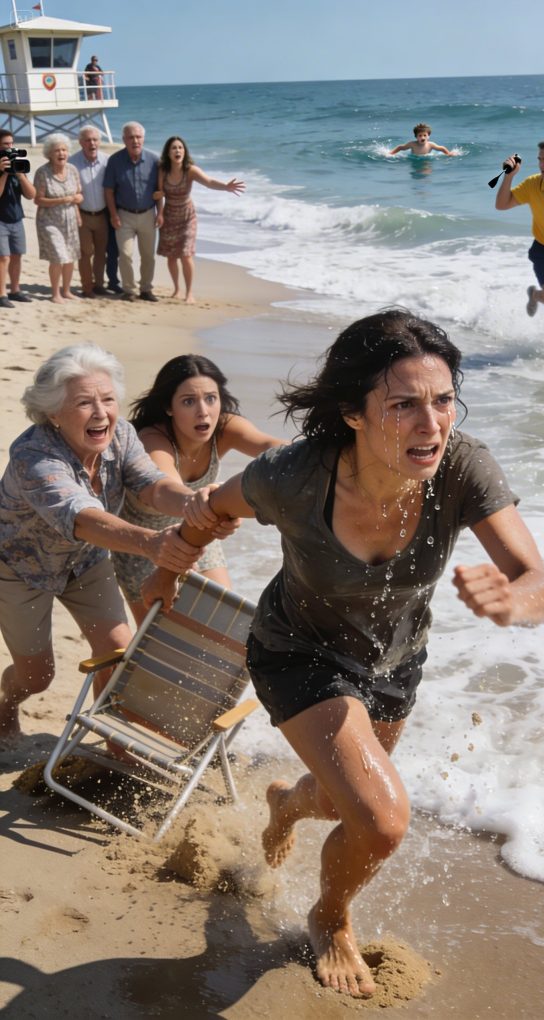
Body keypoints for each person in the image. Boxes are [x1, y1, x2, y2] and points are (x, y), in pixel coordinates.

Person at [143, 309, 544, 998]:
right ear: (353, 414)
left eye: (443, 400)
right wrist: (167, 570)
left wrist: (516, 599)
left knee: (344, 808)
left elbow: (538, 581)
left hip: (394, 661)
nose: (432, 424)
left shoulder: (462, 467)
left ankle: (287, 804)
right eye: (404, 405)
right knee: (383, 821)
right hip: (296, 650)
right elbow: (210, 510)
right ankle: (331, 916)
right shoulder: (295, 475)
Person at [0, 344, 208, 741]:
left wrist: (193, 502)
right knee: (37, 677)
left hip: (86, 563)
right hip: (20, 568)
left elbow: (152, 486)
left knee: (117, 654)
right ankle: (6, 702)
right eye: (84, 403)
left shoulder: (121, 434)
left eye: (108, 400)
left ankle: (110, 744)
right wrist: (152, 543)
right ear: (53, 413)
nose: (101, 413)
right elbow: (82, 517)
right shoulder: (33, 457)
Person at [113, 354, 282, 625]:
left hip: (199, 535)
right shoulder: (152, 439)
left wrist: (323, 455)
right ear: (168, 407)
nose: (203, 411)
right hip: (149, 548)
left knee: (226, 626)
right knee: (164, 640)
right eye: (188, 401)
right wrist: (211, 506)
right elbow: (165, 487)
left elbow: (273, 449)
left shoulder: (226, 427)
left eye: (211, 398)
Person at [495, 139, 544, 347]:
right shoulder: (533, 184)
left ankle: (536, 295)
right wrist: (509, 176)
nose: (541, 165)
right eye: (540, 159)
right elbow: (501, 205)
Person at [155, 136, 245, 304]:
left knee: (186, 254)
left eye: (180, 148)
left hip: (187, 216)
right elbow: (159, 195)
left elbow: (209, 182)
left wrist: (226, 187)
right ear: (168, 153)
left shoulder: (190, 170)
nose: (177, 151)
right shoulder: (162, 171)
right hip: (169, 215)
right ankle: (176, 289)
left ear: (184, 151)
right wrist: (159, 213)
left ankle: (189, 293)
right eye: (174, 148)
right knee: (171, 256)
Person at [104, 122, 160, 303]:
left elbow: (159, 190)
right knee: (125, 254)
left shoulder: (154, 160)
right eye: (131, 137)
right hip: (124, 215)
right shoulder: (115, 161)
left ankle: (146, 289)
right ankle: (129, 290)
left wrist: (160, 213)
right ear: (124, 140)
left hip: (148, 214)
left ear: (143, 138)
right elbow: (108, 190)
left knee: (148, 256)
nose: (135, 141)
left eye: (138, 137)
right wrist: (113, 215)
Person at [33, 133, 83, 303]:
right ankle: (55, 294)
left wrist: (78, 202)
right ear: (49, 154)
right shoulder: (42, 172)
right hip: (49, 221)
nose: (61, 153)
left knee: (70, 256)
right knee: (58, 256)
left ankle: (67, 291)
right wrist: (63, 200)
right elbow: (38, 200)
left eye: (64, 150)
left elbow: (78, 194)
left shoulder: (73, 170)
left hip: (70, 219)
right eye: (57, 150)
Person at [69, 125, 110, 299]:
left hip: (103, 215)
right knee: (85, 253)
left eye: (95, 140)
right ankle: (87, 288)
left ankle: (99, 285)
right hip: (82, 216)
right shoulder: (72, 163)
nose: (92, 143)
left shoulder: (108, 161)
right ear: (81, 143)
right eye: (87, 140)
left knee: (101, 252)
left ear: (99, 141)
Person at [0, 129, 35, 308]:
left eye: (11, 144)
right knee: (3, 257)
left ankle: (15, 290)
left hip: (16, 218)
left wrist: (20, 175)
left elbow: (31, 194)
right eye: (6, 144)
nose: (10, 147)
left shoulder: (18, 165)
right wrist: (4, 173)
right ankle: (1, 294)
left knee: (16, 255)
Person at [389, 122, 456, 157]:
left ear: (428, 136)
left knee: (426, 171)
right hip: (414, 158)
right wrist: (391, 153)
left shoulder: (431, 145)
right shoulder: (412, 144)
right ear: (416, 137)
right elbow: (401, 147)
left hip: (426, 159)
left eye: (425, 135)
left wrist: (448, 153)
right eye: (420, 136)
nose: (422, 137)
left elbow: (441, 148)